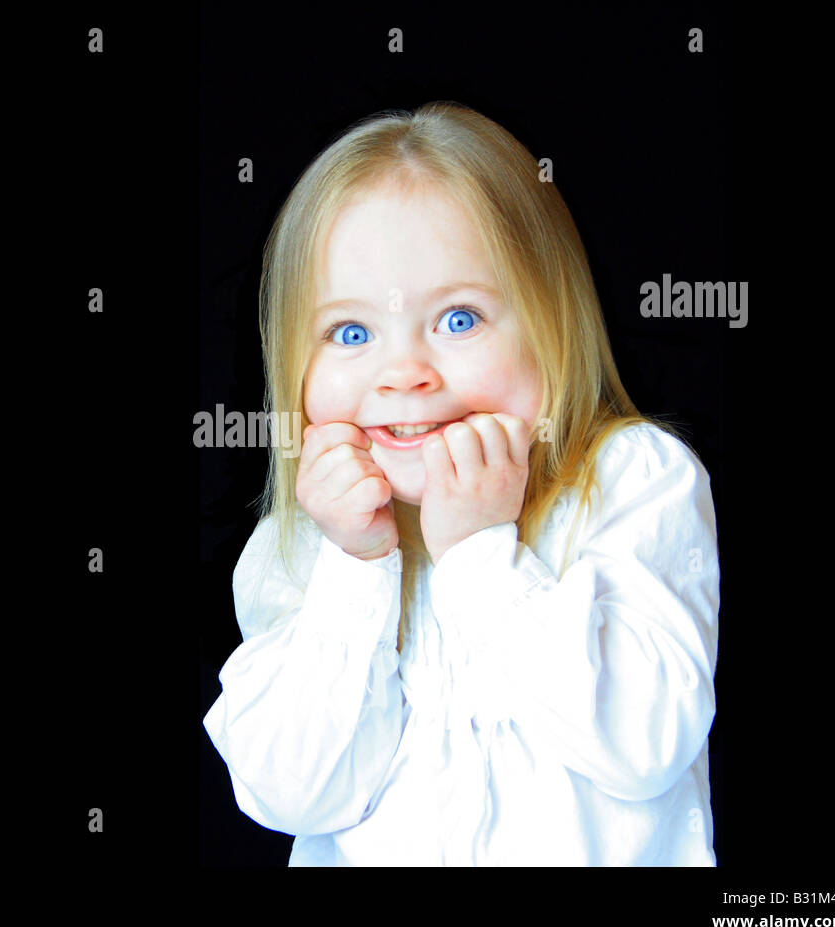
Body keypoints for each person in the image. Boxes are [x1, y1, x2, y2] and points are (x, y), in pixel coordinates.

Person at [202, 102, 720, 866]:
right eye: (351, 334)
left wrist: (482, 552)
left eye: (459, 320)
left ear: (552, 324)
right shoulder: (307, 544)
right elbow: (291, 793)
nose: (404, 374)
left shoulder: (629, 478)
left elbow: (644, 746)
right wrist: (354, 569)